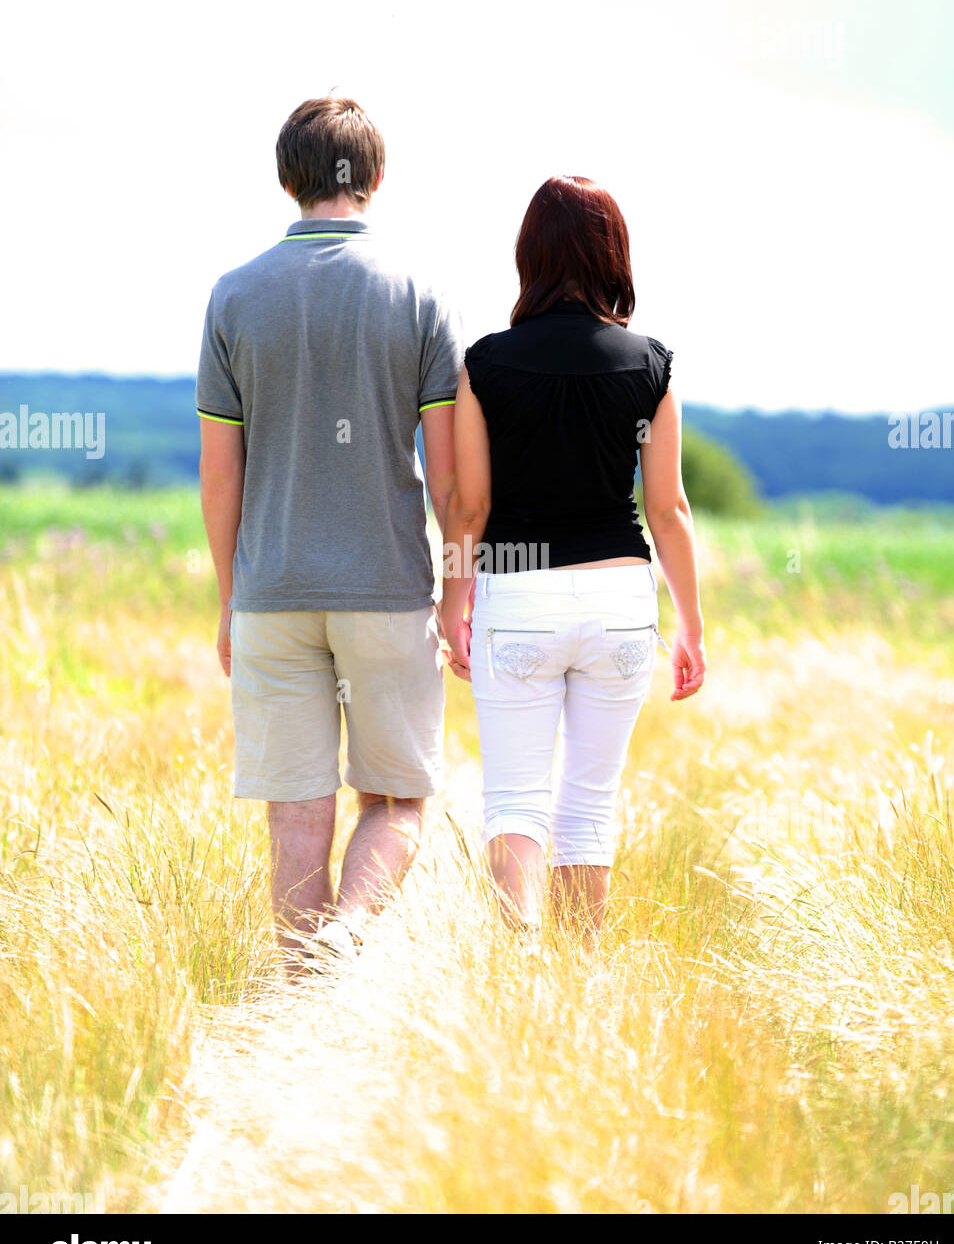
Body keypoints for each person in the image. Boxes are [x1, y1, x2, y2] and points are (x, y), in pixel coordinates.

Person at [197, 96, 462, 975]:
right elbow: (452, 476)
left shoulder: (234, 294)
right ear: (375, 180)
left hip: (272, 591)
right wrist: (456, 590)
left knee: (296, 810)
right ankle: (352, 926)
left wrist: (230, 597)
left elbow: (220, 473)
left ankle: (297, 1005)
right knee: (397, 799)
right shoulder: (419, 292)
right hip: (387, 589)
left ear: (287, 179)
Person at [441, 176, 706, 940]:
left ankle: (517, 977)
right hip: (620, 602)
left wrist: (451, 606)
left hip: (516, 599)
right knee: (588, 805)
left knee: (515, 803)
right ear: (612, 256)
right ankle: (577, 991)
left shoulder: (486, 366)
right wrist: (689, 625)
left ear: (530, 255)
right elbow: (667, 510)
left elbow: (469, 507)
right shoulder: (649, 365)